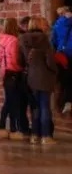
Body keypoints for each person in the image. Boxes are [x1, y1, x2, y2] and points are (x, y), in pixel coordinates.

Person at [18, 16, 57, 145]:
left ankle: (35, 136)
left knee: (35, 107)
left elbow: (20, 60)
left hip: (31, 77)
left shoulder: (22, 39)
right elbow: (50, 60)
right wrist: (55, 70)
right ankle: (46, 136)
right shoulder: (44, 39)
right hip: (45, 76)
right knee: (45, 106)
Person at [0, 17, 28, 140]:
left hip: (6, 73)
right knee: (14, 102)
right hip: (14, 72)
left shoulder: (2, 39)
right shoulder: (14, 40)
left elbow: (0, 58)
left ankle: (2, 126)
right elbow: (15, 59)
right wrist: (20, 67)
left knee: (8, 101)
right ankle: (13, 129)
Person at [51, 5, 72, 114]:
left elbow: (53, 41)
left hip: (61, 54)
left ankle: (65, 103)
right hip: (70, 52)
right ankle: (68, 101)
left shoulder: (56, 24)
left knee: (64, 79)